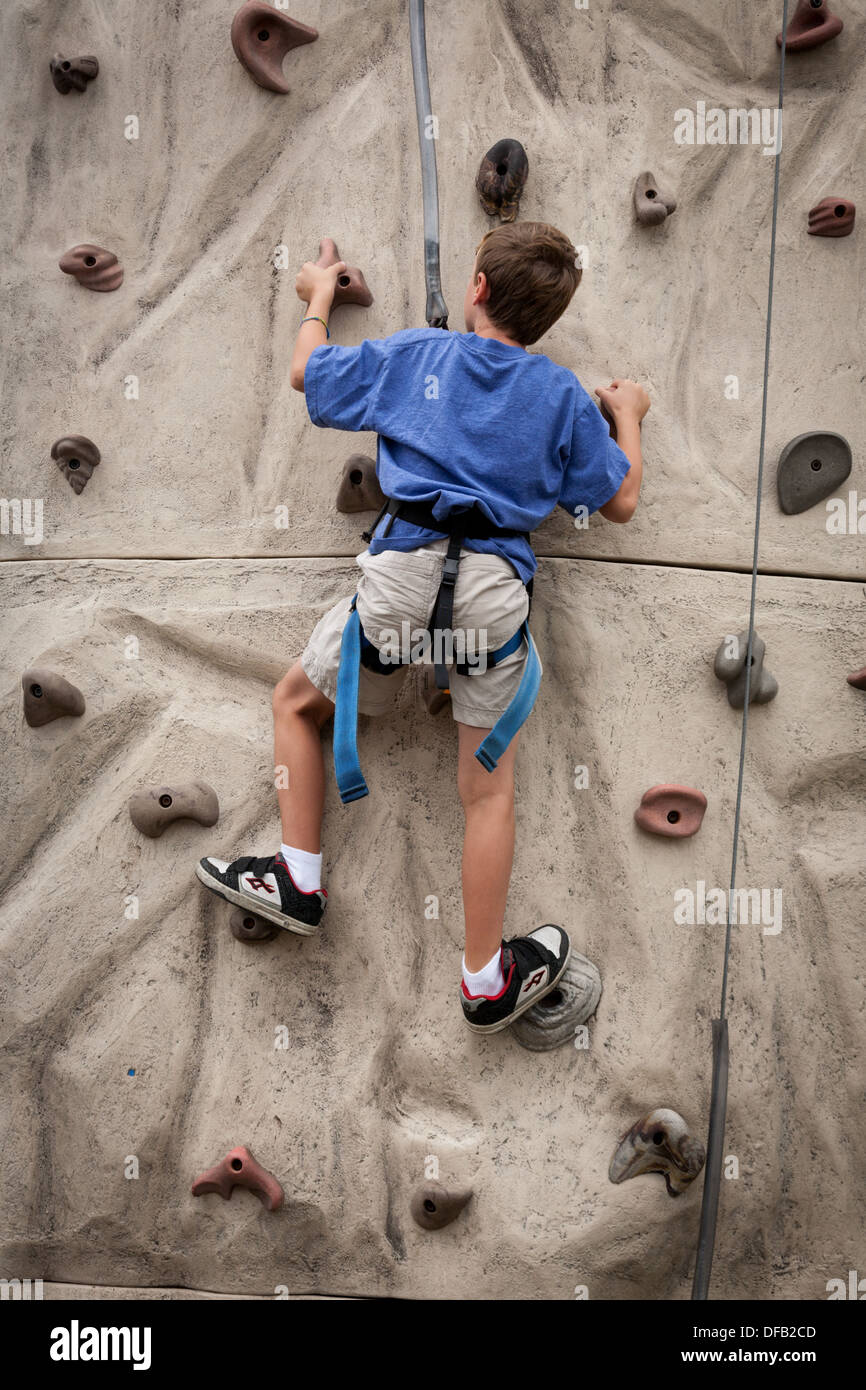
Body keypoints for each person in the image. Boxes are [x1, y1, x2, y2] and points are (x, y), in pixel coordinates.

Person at [196, 221, 649, 1033]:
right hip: (489, 601)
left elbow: (305, 373)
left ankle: (299, 876)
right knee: (487, 789)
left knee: (298, 704)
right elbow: (618, 504)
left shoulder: (418, 356)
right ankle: (483, 979)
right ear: (546, 320)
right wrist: (630, 414)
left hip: (401, 583)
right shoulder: (558, 396)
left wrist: (320, 297)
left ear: (475, 289)